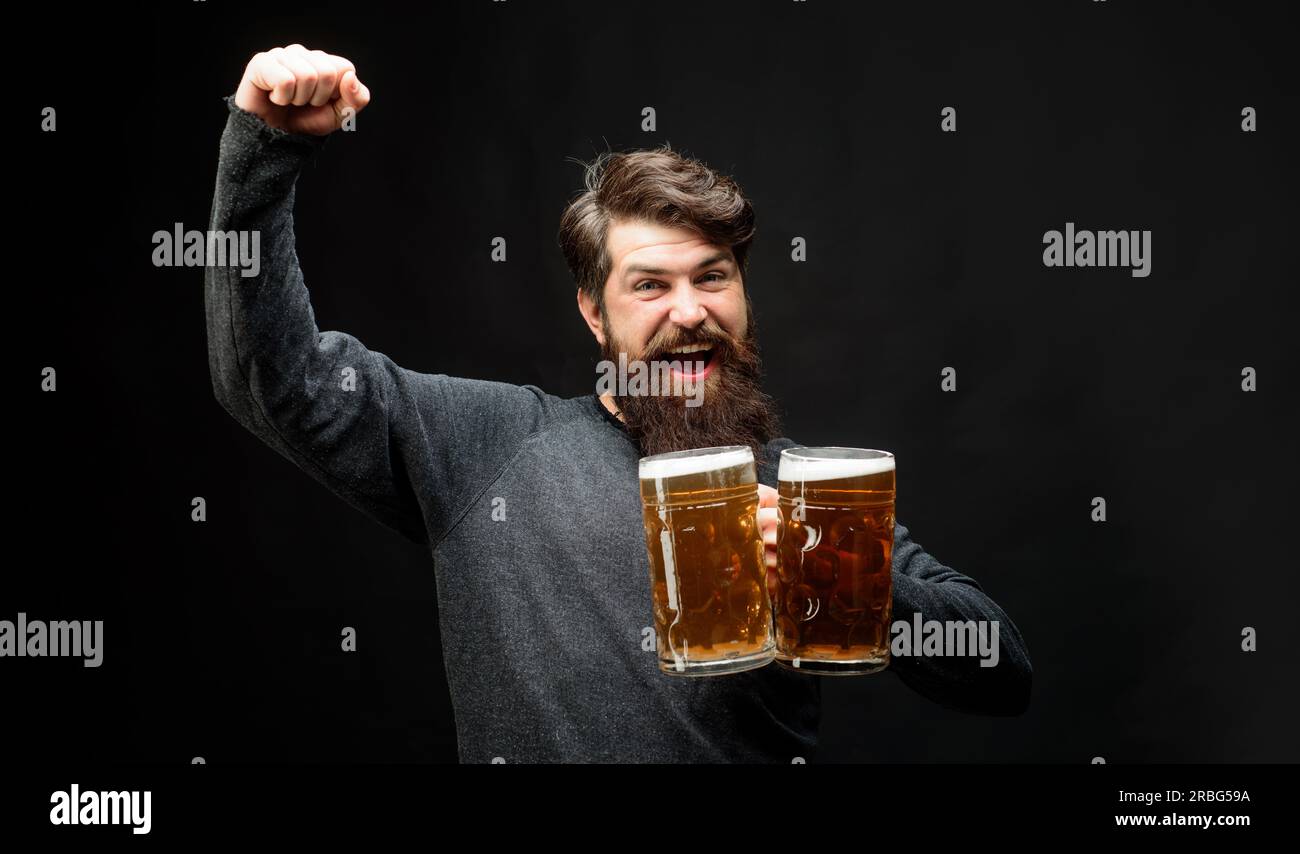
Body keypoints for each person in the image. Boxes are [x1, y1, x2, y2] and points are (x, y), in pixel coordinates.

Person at [205, 44, 1032, 763]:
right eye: (649, 286)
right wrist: (265, 151)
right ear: (594, 314)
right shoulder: (488, 446)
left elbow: (1000, 667)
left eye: (713, 277)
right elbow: (273, 383)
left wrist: (847, 576)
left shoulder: (803, 494)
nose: (689, 311)